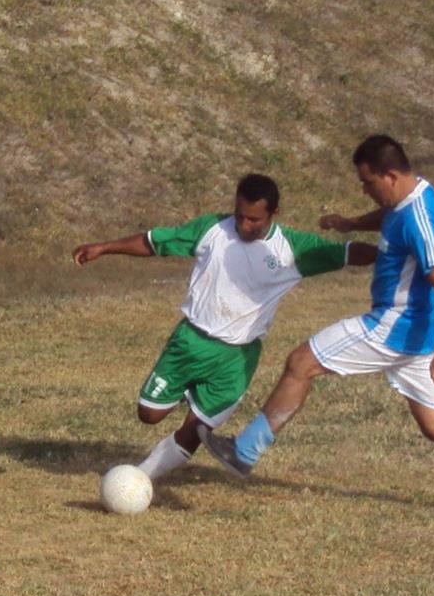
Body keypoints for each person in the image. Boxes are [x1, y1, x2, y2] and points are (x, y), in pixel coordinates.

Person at [199, 135, 434, 518]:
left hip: (393, 325)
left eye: (368, 182)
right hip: (415, 334)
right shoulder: (416, 194)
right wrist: (351, 223)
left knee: (301, 363)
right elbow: (390, 217)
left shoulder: (419, 222)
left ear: (389, 176)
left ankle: (243, 452)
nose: (364, 189)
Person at [73, 173, 374, 488]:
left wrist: (401, 257)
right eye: (240, 215)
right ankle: (183, 393)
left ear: (274, 214)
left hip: (237, 358)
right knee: (148, 414)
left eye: (255, 220)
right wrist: (104, 247)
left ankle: (139, 480)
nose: (244, 225)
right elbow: (155, 242)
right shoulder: (212, 230)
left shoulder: (293, 248)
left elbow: (348, 253)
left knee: (196, 431)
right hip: (190, 342)